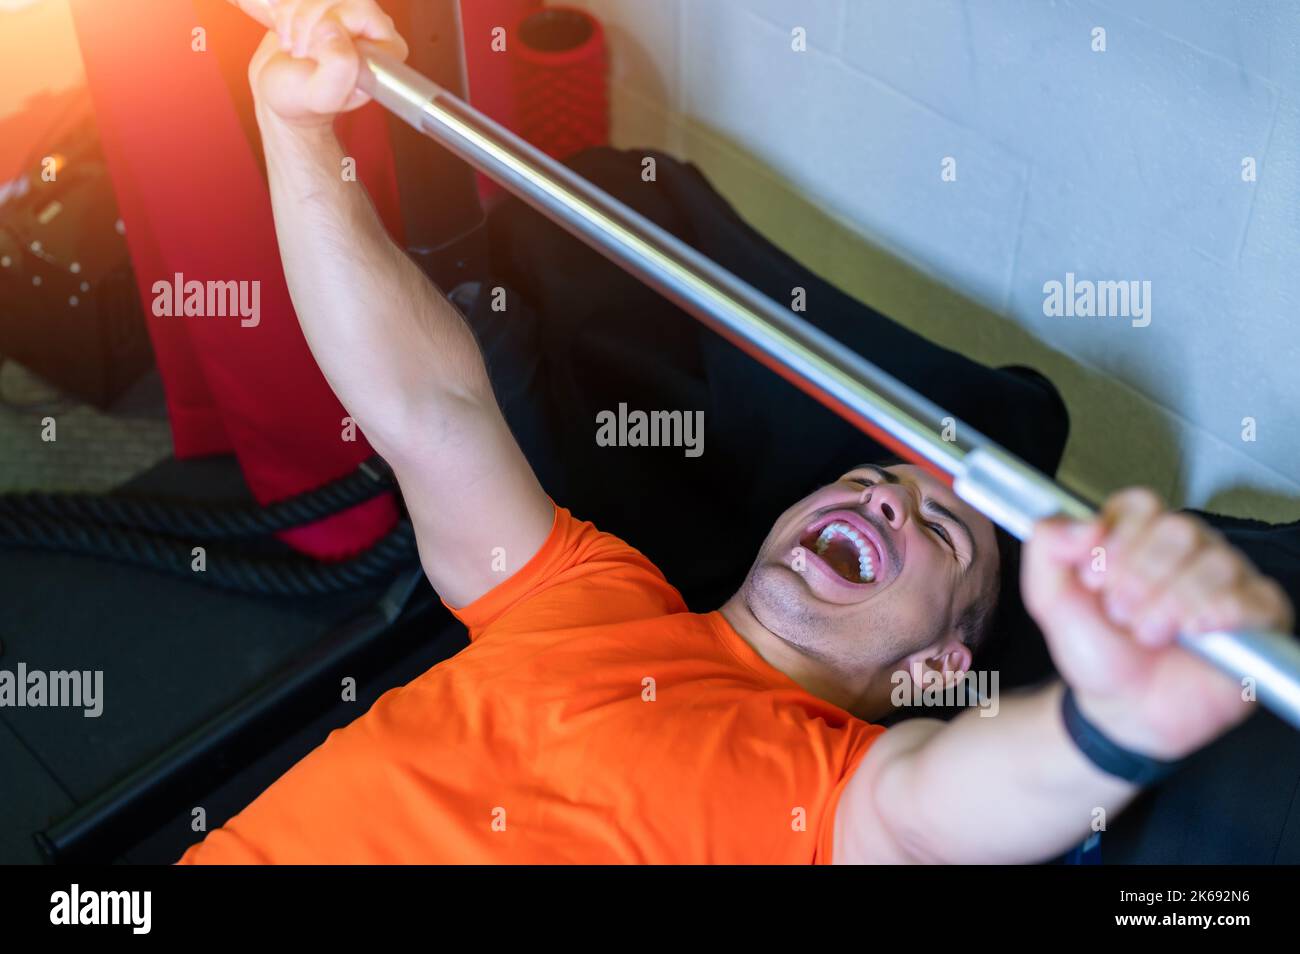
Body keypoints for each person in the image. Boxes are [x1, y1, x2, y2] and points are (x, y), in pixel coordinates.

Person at [180, 0, 1294, 864]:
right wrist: (293, 122)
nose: (881, 498)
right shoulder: (589, 591)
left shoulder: (841, 791)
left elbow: (934, 817)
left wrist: (1112, 724)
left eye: (939, 533)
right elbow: (427, 411)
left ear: (939, 668)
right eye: (875, 479)